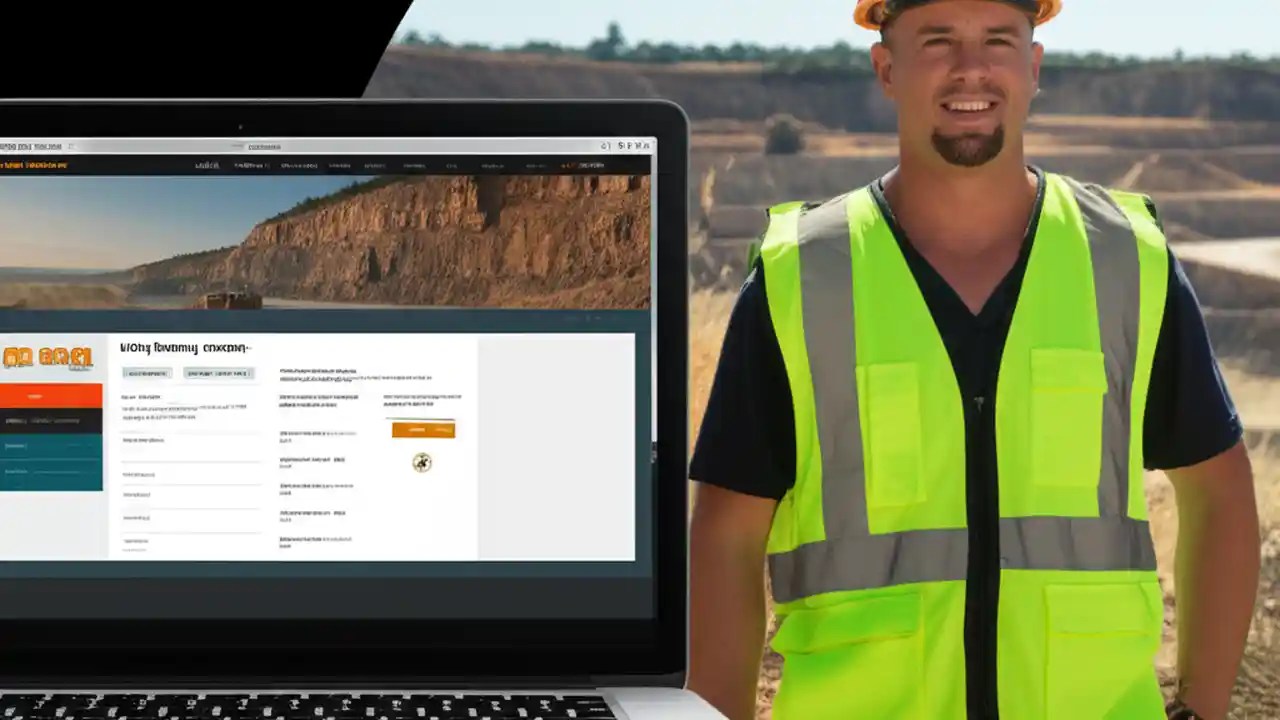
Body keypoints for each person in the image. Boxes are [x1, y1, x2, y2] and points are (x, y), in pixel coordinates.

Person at [685, 1, 1263, 719]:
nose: (971, 68)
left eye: (998, 39)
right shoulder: (802, 275)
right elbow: (727, 531)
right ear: (886, 66)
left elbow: (1217, 489)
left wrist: (1202, 708)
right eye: (938, 41)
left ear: (1033, 65)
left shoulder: (1125, 261)